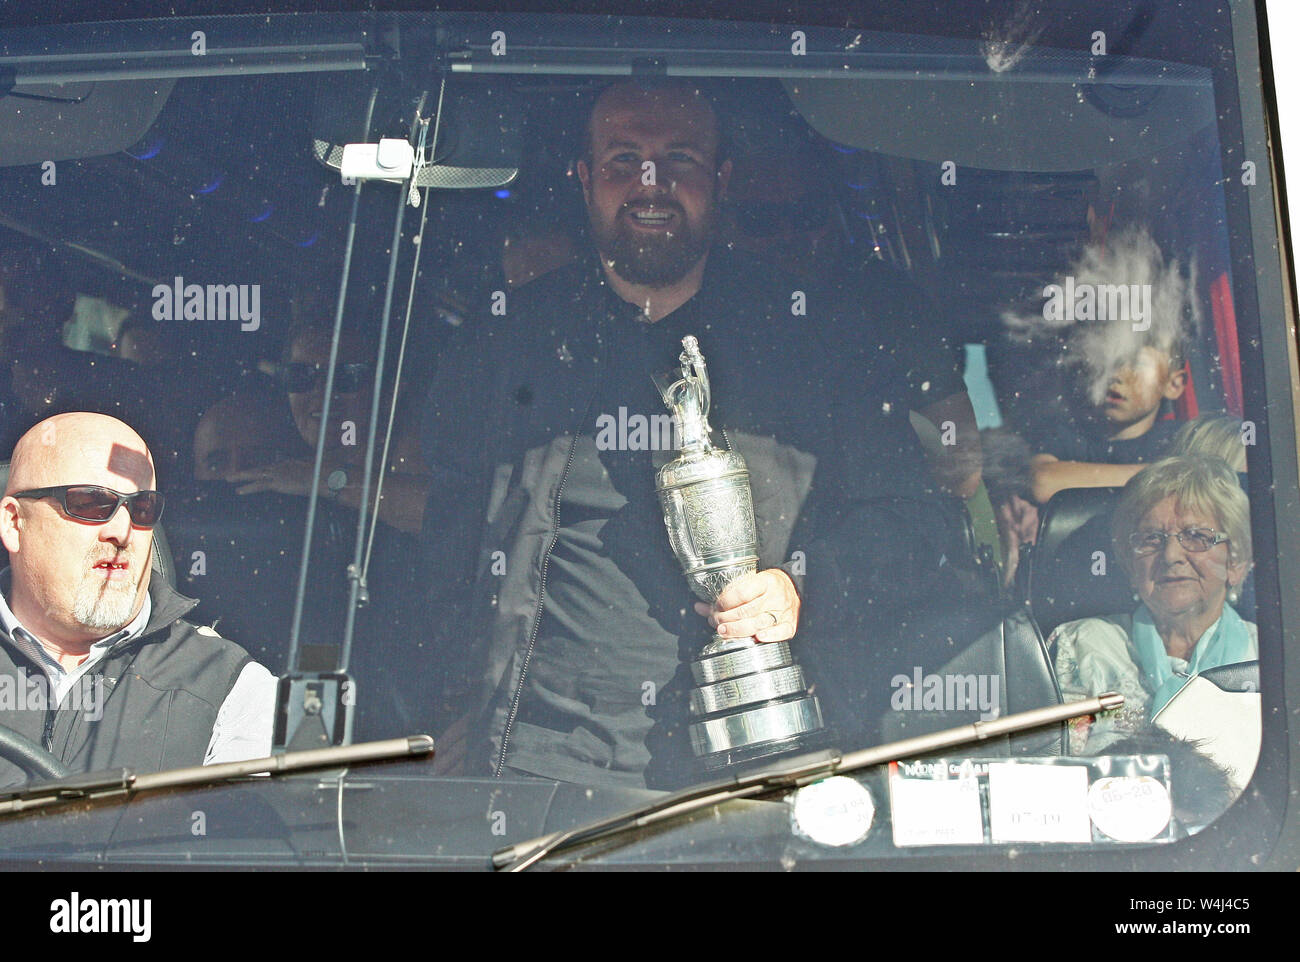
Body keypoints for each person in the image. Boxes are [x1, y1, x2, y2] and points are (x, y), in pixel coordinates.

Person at [420, 79, 949, 788]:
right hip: (535, 764)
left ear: (722, 180)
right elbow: (445, 547)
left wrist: (801, 588)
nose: (650, 183)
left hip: (757, 752)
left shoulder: (816, 342)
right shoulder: (509, 343)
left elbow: (915, 524)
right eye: (622, 159)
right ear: (584, 181)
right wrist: (448, 708)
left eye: (679, 160)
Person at [0, 412, 277, 786]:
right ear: (15, 524)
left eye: (142, 509)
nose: (122, 531)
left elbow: (239, 840)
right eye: (90, 503)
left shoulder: (230, 685)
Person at [1051, 455, 1254, 755]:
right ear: (1130, 566)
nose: (1171, 555)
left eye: (1196, 536)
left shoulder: (1274, 657)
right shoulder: (1082, 647)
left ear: (1235, 562)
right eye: (1151, 539)